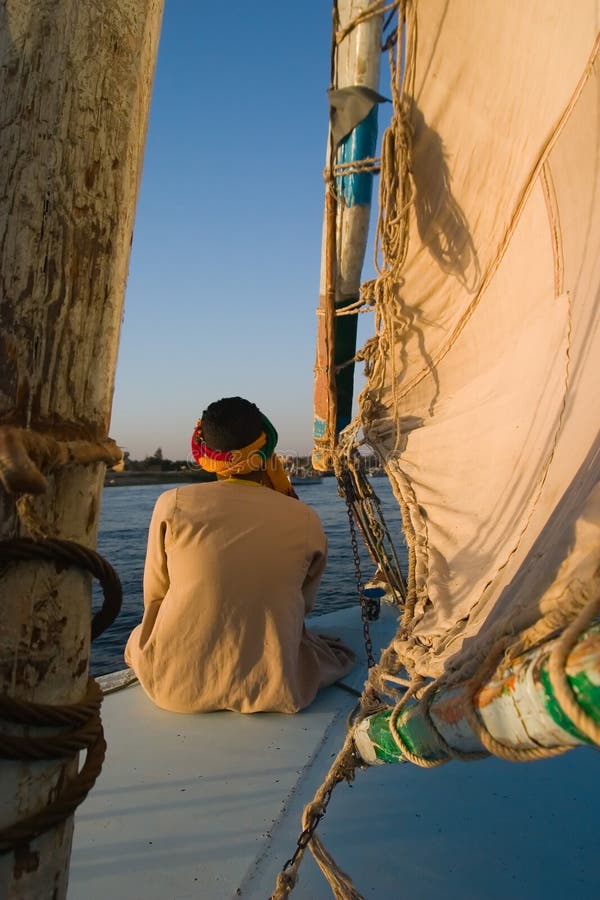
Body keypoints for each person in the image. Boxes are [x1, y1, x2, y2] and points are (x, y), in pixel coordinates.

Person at [124, 396, 355, 714]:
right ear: (266, 445)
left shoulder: (172, 504)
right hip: (279, 686)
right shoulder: (305, 518)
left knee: (137, 637)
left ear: (204, 453)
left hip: (173, 687)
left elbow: (155, 597)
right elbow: (301, 604)